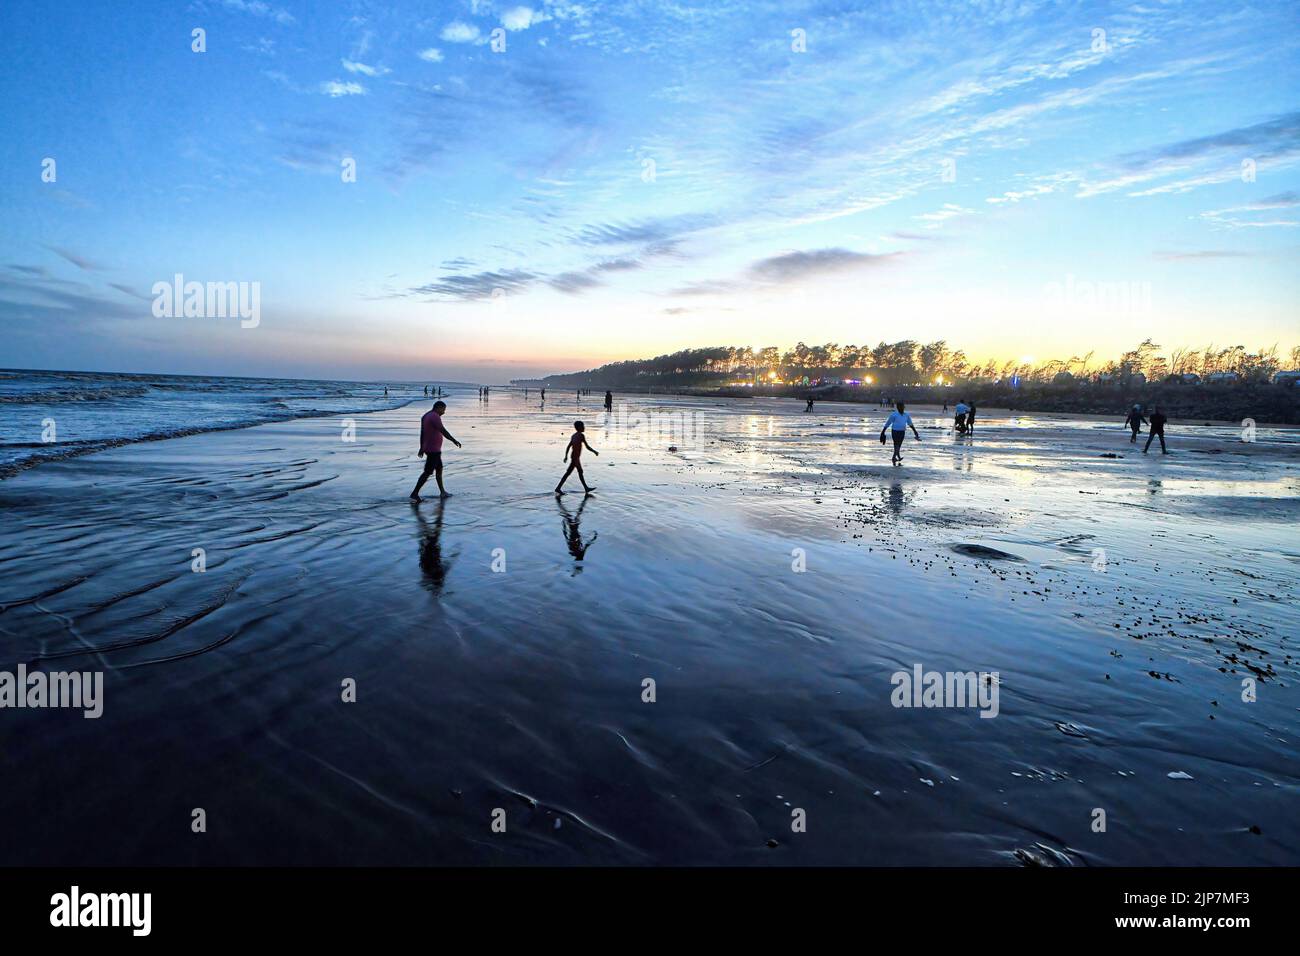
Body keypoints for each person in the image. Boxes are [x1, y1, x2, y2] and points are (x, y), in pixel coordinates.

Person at [410, 400, 462, 500]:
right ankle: (415, 493)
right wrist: (454, 440)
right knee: (428, 472)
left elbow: (422, 433)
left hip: (432, 448)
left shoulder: (426, 416)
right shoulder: (434, 416)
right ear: (438, 407)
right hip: (432, 449)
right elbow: (443, 430)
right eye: (443, 410)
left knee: (439, 469)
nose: (444, 412)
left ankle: (442, 492)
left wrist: (421, 447)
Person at [556, 420, 598, 494]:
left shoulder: (574, 436)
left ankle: (558, 488)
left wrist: (566, 456)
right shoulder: (581, 436)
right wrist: (594, 451)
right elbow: (587, 447)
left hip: (574, 457)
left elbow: (568, 446)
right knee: (579, 472)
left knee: (569, 473)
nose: (584, 427)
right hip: (575, 458)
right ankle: (586, 488)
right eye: (583, 426)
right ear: (579, 427)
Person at [880, 401, 922, 465]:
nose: (901, 408)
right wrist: (883, 432)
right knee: (896, 444)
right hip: (895, 431)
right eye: (900, 407)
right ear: (897, 407)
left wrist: (915, 431)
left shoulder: (906, 415)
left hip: (902, 431)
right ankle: (894, 457)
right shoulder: (894, 414)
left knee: (899, 444)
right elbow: (888, 423)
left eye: (902, 406)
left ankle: (897, 456)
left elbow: (910, 424)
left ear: (904, 407)